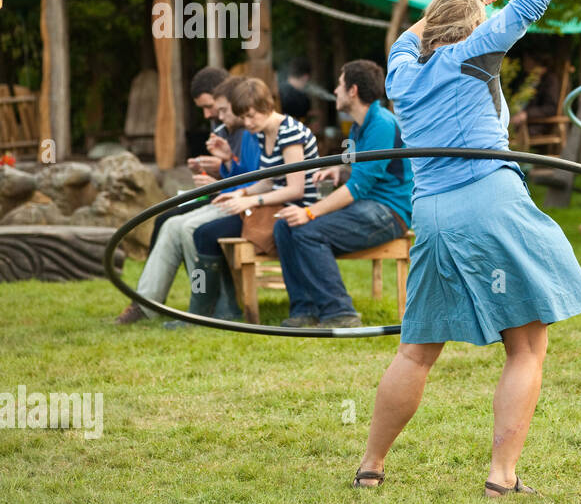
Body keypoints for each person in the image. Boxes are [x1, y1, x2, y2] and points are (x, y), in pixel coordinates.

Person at [353, 0, 581, 496]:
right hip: (488, 199)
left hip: (431, 215)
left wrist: (448, 1)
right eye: (478, 15)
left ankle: (371, 465)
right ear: (469, 26)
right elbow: (528, 4)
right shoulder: (472, 53)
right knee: (527, 346)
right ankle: (501, 478)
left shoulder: (402, 77)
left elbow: (406, 42)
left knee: (416, 351)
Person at [272, 60, 413, 329]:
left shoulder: (381, 123)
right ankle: (305, 309)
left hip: (390, 211)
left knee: (308, 230)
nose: (334, 90)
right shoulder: (359, 125)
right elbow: (358, 170)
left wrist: (309, 211)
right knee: (284, 227)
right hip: (370, 203)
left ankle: (340, 311)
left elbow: (358, 187)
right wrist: (339, 170)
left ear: (352, 90)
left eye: (339, 84)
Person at [115, 71, 259, 325]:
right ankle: (150, 304)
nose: (214, 117)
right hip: (230, 195)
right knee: (169, 222)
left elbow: (258, 179)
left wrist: (220, 177)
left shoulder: (252, 129)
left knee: (189, 227)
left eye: (215, 109)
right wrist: (222, 166)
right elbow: (243, 171)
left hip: (250, 205)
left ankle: (207, 306)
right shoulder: (234, 126)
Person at [189, 77, 320, 319]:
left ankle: (207, 311)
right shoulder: (263, 132)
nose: (247, 123)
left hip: (294, 209)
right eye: (243, 117)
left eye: (251, 116)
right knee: (203, 233)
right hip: (272, 206)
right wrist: (240, 192)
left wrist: (251, 201)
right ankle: (206, 308)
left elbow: (295, 189)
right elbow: (269, 180)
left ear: (266, 106)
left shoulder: (289, 132)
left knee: (205, 234)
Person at [508, 51, 561, 138]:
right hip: (514, 120)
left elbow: (551, 108)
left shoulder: (550, 80)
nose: (524, 63)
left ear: (535, 61)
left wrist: (526, 114)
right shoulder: (525, 78)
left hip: (533, 124)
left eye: (527, 60)